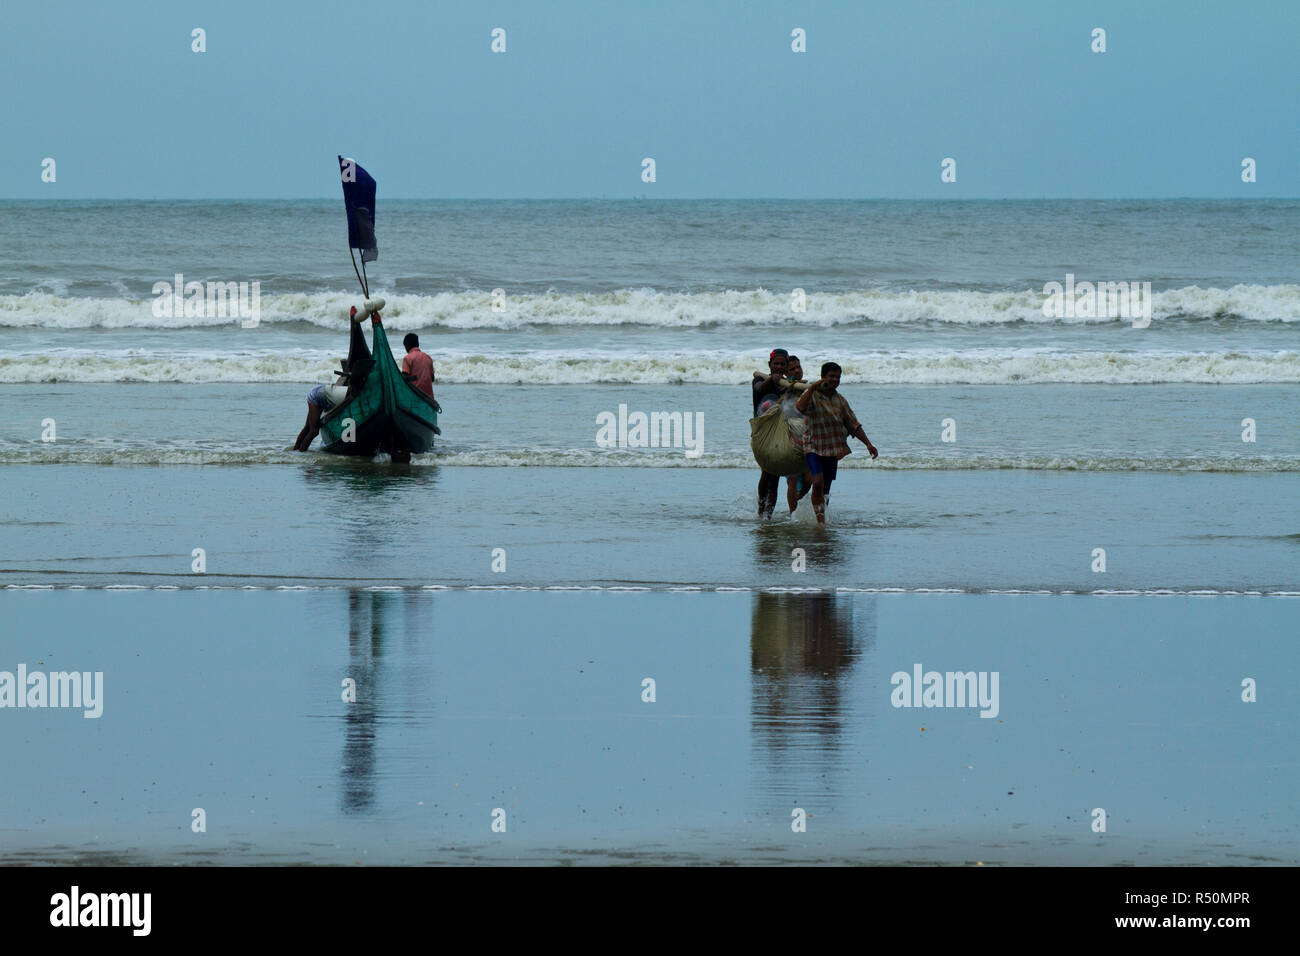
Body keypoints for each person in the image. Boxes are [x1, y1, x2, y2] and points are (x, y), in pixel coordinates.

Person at [794, 361, 878, 525]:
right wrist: (812, 387)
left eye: (838, 377)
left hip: (832, 449)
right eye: (831, 376)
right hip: (813, 447)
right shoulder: (812, 396)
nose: (834, 380)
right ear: (823, 377)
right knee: (817, 482)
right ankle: (820, 523)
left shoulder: (840, 400)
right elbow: (800, 408)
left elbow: (853, 424)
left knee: (825, 490)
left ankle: (819, 516)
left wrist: (868, 444)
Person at [752, 348, 788, 518]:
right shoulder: (760, 379)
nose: (779, 367)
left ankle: (769, 514)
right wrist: (772, 380)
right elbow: (759, 389)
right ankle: (761, 511)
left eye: (782, 364)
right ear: (770, 365)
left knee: (775, 477)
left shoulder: (788, 385)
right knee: (766, 471)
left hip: (780, 434)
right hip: (763, 433)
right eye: (776, 364)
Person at [782, 355, 815, 514]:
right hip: (790, 438)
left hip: (808, 439)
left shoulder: (806, 387)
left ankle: (797, 502)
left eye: (798, 367)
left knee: (809, 479)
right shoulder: (784, 387)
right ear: (786, 373)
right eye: (792, 369)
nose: (796, 370)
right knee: (792, 479)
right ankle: (792, 514)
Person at [401, 333, 435, 399]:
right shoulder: (428, 357)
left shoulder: (407, 358)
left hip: (415, 395)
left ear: (407, 345)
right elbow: (432, 378)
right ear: (418, 344)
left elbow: (404, 378)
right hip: (429, 398)